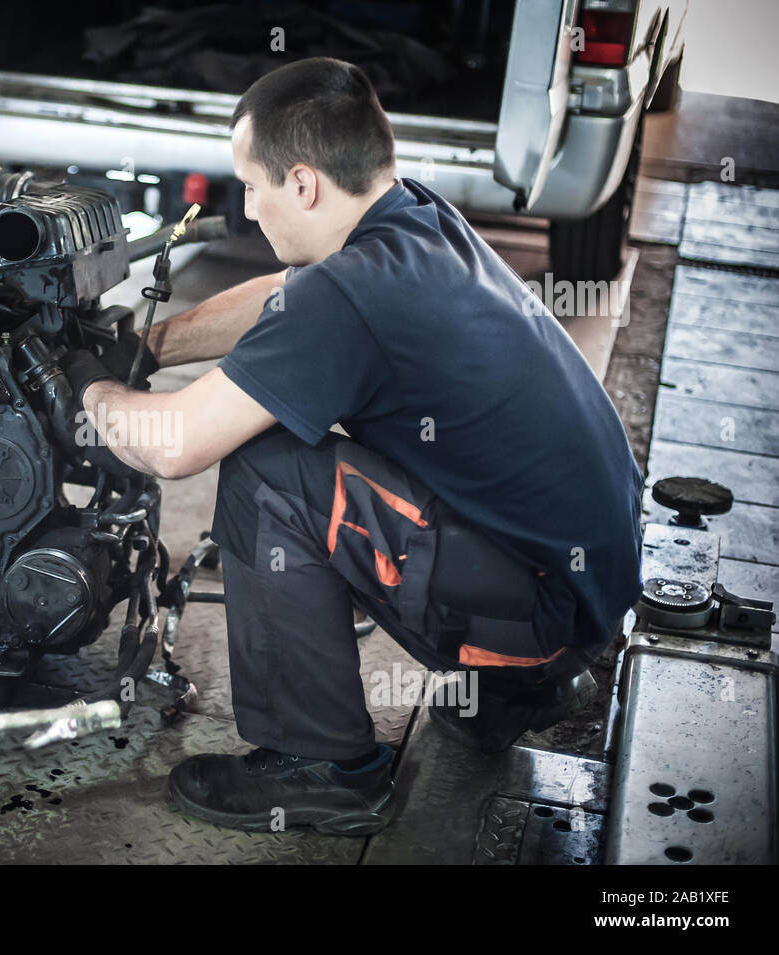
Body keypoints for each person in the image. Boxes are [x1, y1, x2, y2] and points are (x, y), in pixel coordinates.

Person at [58, 57, 645, 836]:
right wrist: (151, 347)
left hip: (540, 612)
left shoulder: (350, 295)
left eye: (252, 185)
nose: (248, 206)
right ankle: (521, 687)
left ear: (303, 185)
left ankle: (324, 768)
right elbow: (283, 293)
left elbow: (174, 445)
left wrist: (83, 383)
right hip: (583, 587)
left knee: (267, 472)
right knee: (306, 444)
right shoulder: (413, 218)